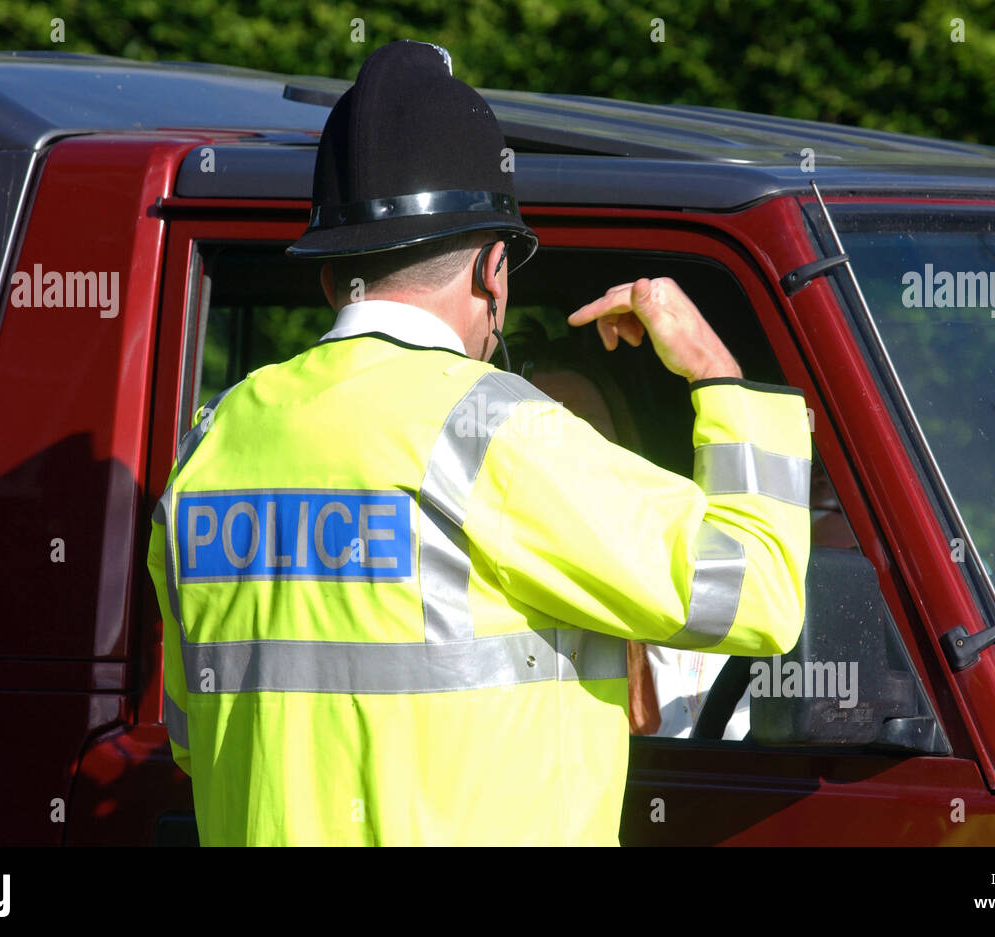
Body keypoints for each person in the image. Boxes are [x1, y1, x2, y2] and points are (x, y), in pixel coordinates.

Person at [146, 39, 811, 845]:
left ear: (329, 277)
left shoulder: (208, 450)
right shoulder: (497, 432)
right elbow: (762, 591)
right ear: (492, 271)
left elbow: (192, 738)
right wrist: (716, 374)